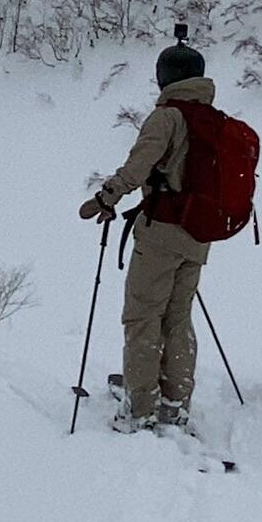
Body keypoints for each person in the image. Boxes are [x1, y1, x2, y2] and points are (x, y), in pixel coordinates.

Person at [79, 37, 214, 432]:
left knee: (143, 316)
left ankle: (140, 407)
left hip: (162, 231)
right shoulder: (211, 119)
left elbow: (139, 165)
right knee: (178, 317)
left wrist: (107, 197)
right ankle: (175, 400)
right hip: (199, 234)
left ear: (164, 78)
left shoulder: (168, 117)